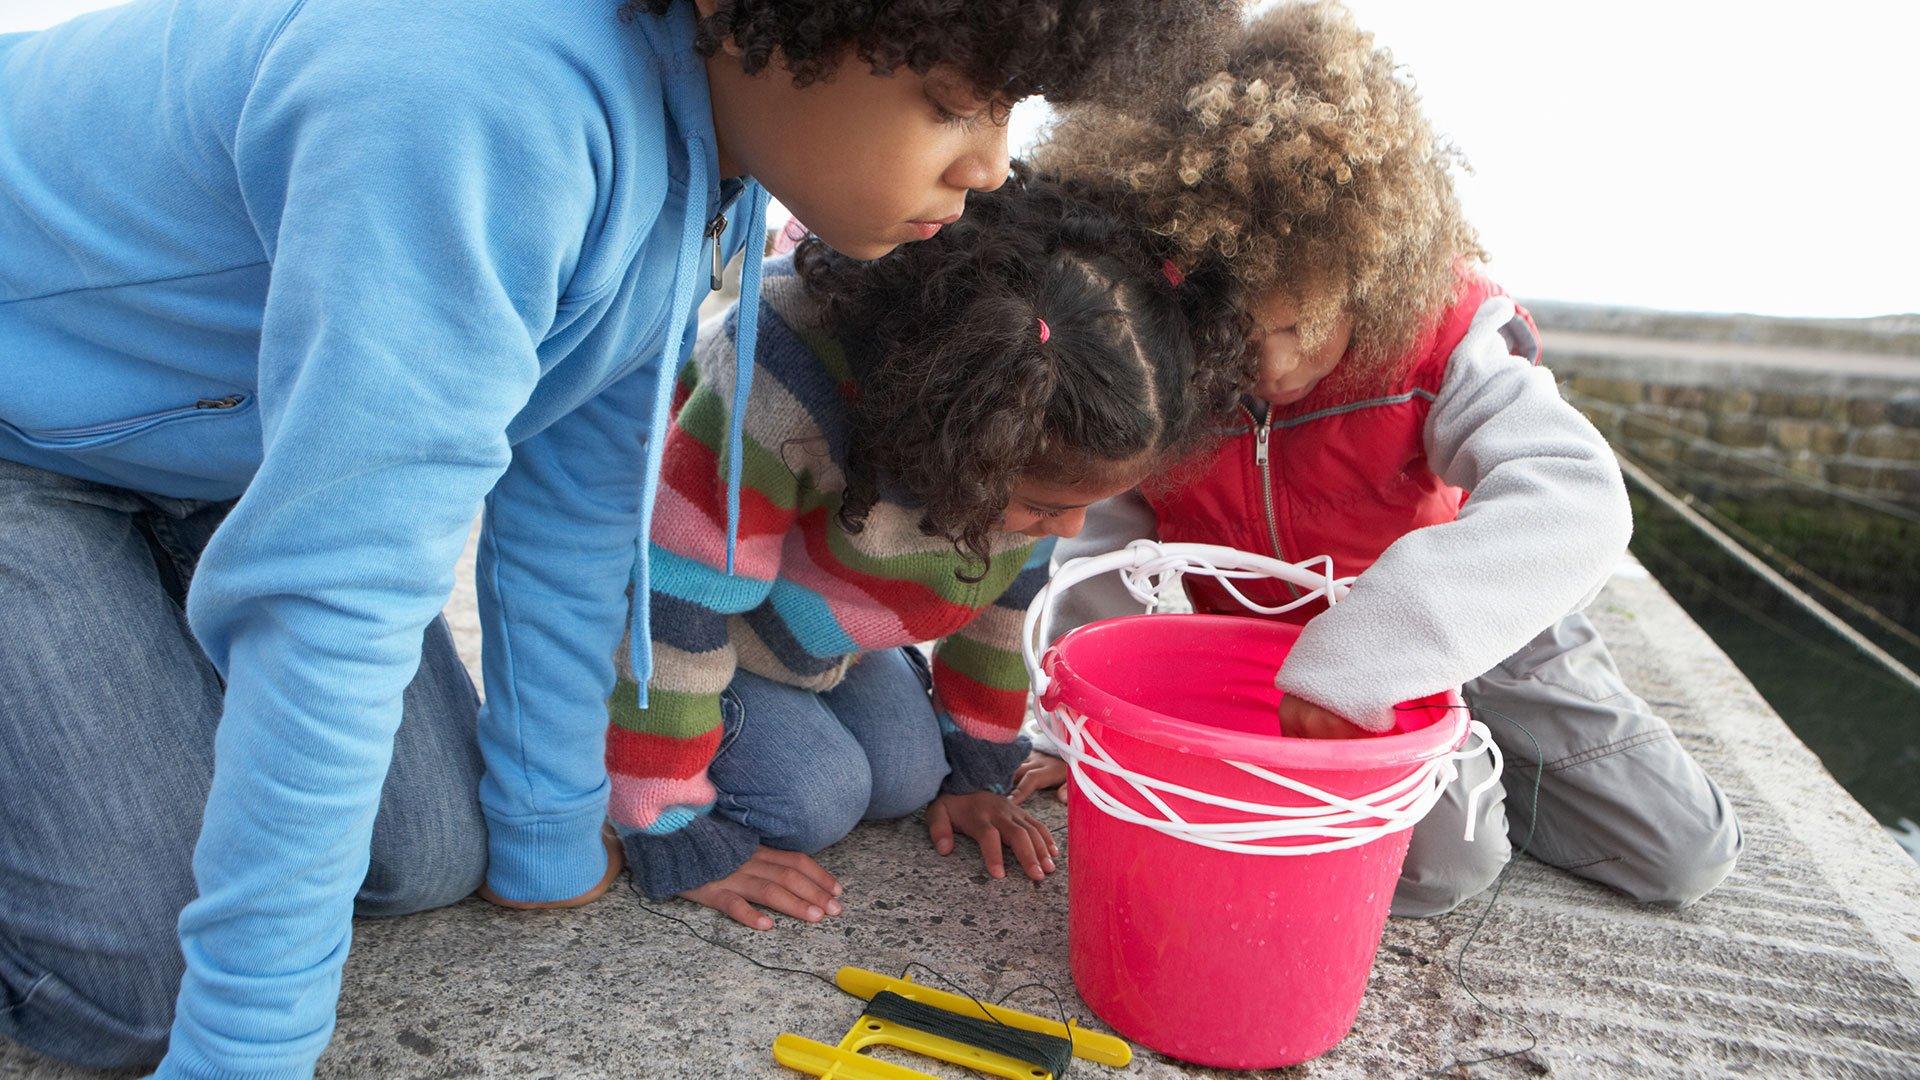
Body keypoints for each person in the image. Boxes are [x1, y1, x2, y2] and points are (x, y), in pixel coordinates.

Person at [0, 0, 1232, 1073]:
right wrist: (251, 1051)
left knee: (431, 854)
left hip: (232, 446)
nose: (992, 169)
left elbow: (572, 503)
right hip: (30, 439)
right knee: (130, 992)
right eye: (955, 103)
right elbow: (340, 588)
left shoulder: (713, 149)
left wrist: (550, 844)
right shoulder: (479, 96)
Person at [1016, 0, 1742, 918]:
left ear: (1366, 271)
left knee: (1683, 856)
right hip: (1269, 646)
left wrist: (1371, 657)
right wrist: (1070, 726)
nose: (1272, 367)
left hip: (1464, 624)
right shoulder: (1164, 347)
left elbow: (1579, 502)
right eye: (1243, 333)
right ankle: (1454, 769)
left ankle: (1476, 738)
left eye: (1302, 324)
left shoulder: (1445, 330)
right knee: (1439, 871)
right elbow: (1113, 546)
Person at [610, 168, 1236, 930]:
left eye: (1084, 509)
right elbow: (678, 601)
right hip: (690, 629)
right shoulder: (776, 372)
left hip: (817, 631)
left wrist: (978, 771)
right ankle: (613, 735)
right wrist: (666, 822)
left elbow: (1003, 611)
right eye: (1045, 507)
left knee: (911, 778)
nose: (1067, 531)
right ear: (959, 445)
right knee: (820, 798)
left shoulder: (1037, 438)